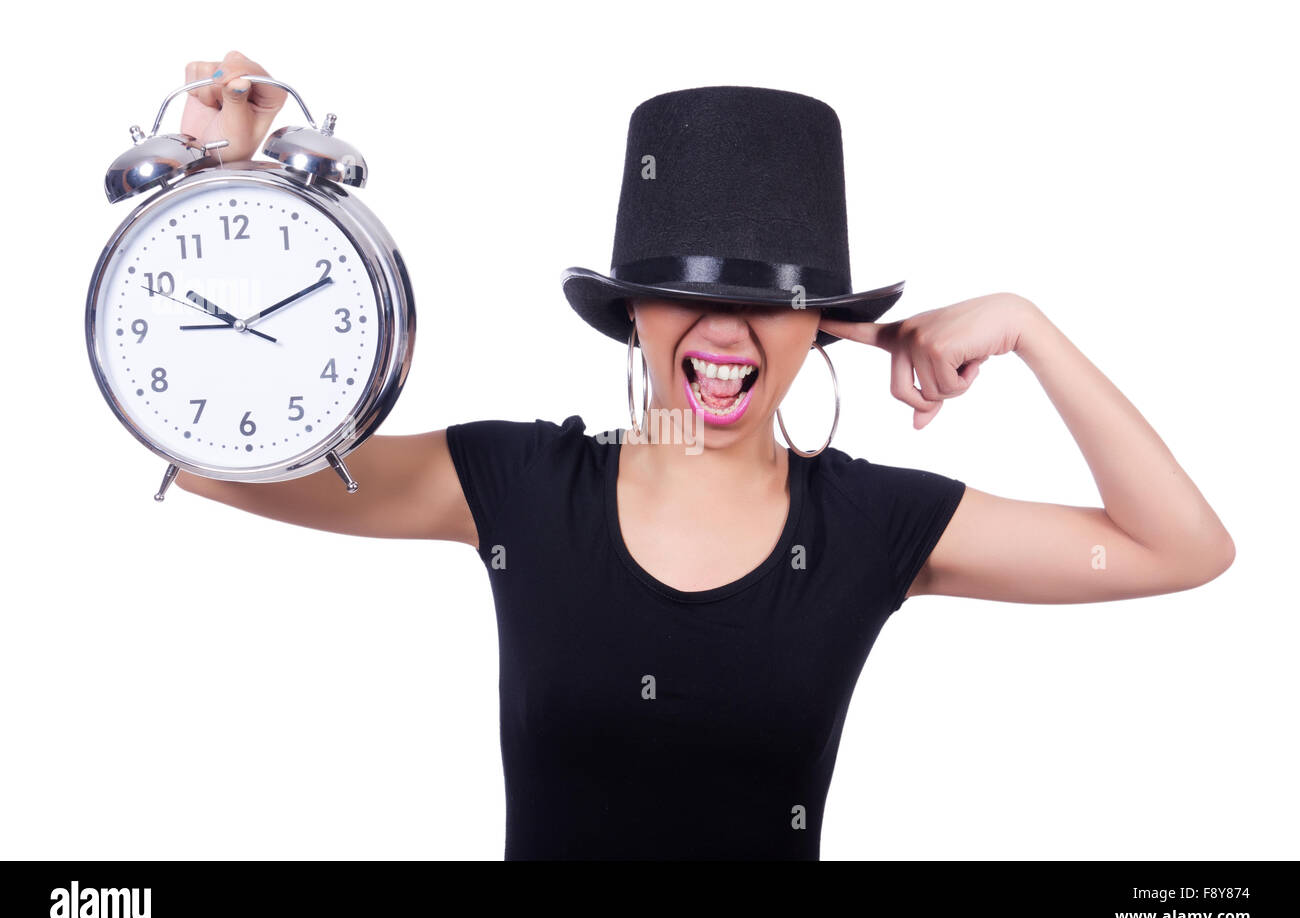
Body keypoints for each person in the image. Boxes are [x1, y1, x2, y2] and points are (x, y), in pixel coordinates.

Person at [173, 51, 1235, 860]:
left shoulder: (869, 529)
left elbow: (1176, 548)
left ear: (819, 322)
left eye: (764, 304)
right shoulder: (516, 488)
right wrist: (222, 189)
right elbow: (211, 455)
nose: (723, 335)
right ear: (631, 310)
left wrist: (1029, 327)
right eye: (687, 296)